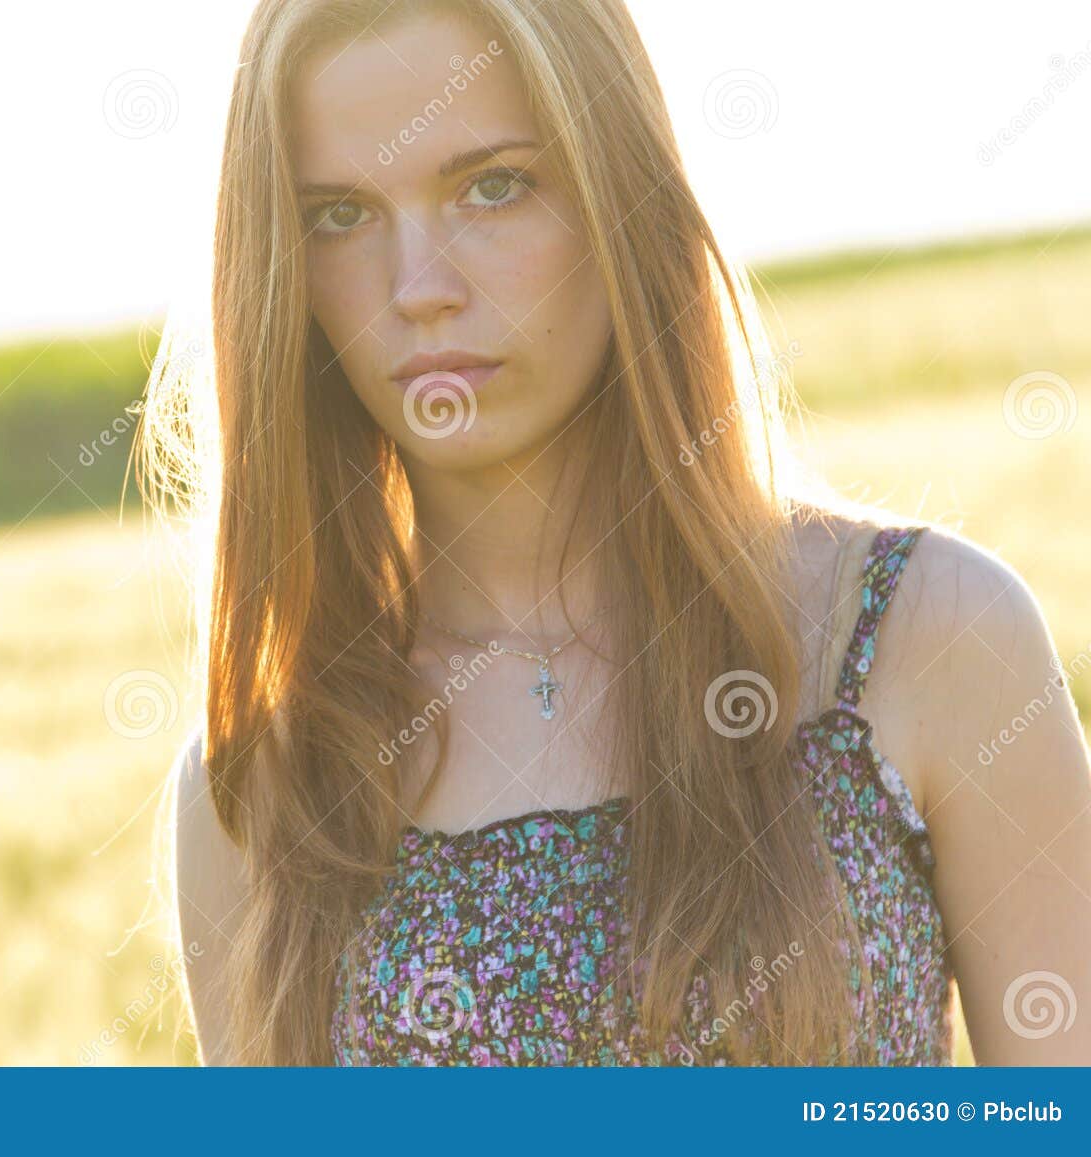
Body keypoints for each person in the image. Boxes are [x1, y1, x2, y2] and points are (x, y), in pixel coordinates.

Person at [142, 0, 1091, 1065]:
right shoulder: (261, 783)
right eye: (338, 214)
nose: (418, 289)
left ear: (621, 196)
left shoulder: (927, 634)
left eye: (492, 187)